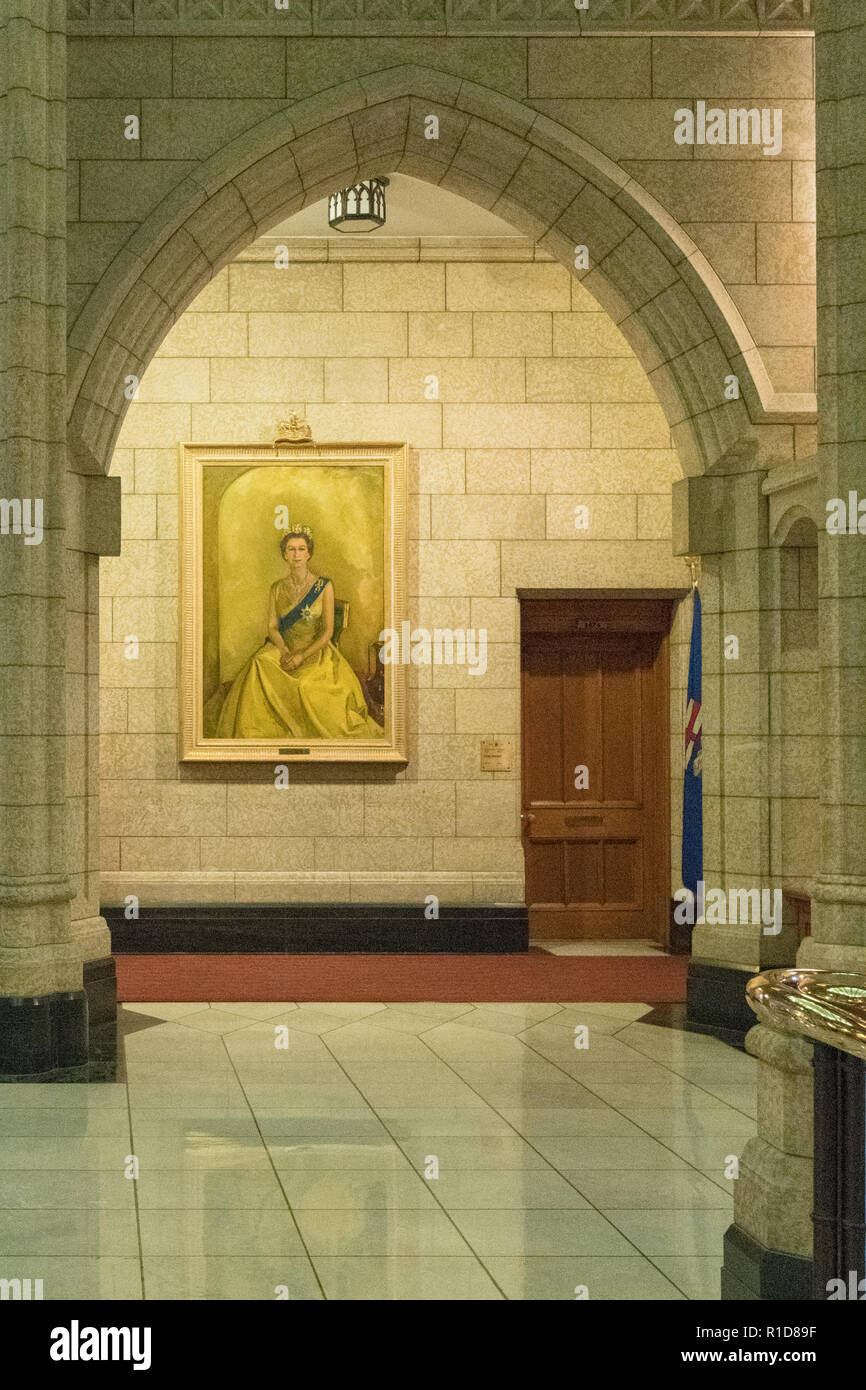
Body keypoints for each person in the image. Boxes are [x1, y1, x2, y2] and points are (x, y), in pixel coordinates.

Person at [214, 529, 385, 740]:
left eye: (301, 549)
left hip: (316, 651)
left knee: (304, 685)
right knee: (259, 662)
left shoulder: (324, 587)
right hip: (283, 647)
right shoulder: (277, 588)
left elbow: (328, 632)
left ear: (308, 554)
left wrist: (302, 656)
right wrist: (285, 652)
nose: (296, 555)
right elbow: (272, 628)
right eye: (291, 549)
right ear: (284, 555)